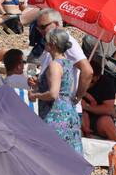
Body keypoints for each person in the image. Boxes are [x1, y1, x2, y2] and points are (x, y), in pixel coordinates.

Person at [30, 28, 85, 158]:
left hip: (55, 115)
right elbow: (63, 87)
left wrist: (35, 95)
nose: (44, 43)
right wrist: (40, 84)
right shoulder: (68, 63)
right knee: (69, 155)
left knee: (51, 155)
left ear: (52, 44)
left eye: (46, 41)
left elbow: (53, 94)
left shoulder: (54, 64)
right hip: (69, 111)